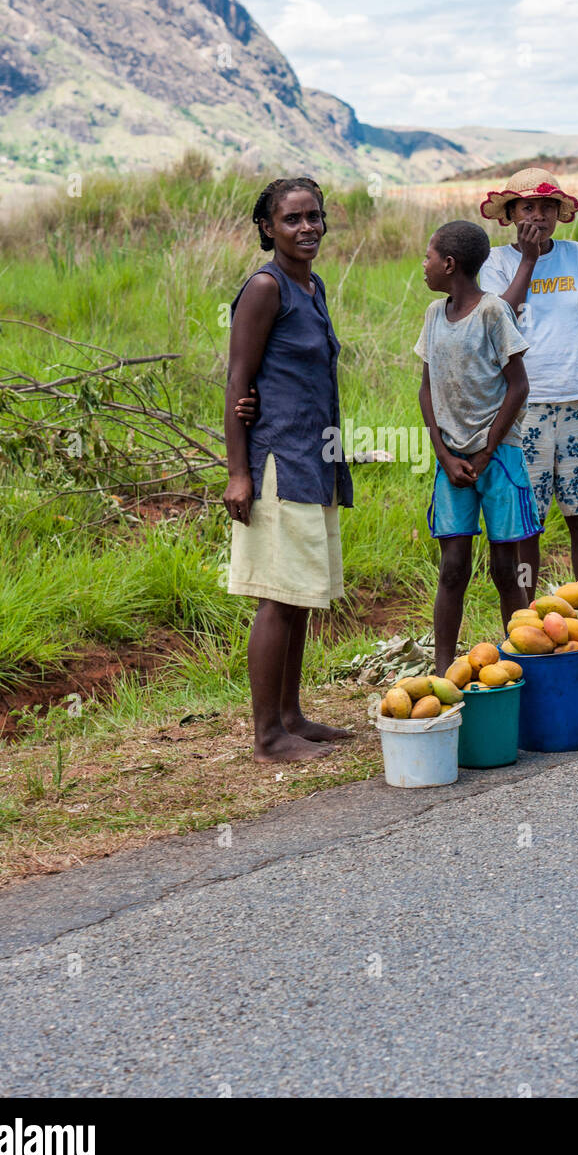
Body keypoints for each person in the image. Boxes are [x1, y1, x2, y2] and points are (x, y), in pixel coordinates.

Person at [224, 177, 353, 762]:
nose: (307, 228)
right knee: (276, 596)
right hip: (277, 460)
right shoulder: (265, 288)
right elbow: (237, 382)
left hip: (315, 458)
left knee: (299, 593)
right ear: (267, 228)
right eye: (293, 219)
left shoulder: (312, 284)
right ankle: (267, 736)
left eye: (315, 216)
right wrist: (239, 473)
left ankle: (292, 715)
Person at [479, 168, 578, 597]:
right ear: (510, 215)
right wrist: (528, 258)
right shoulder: (496, 263)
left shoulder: (576, 255)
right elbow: (500, 317)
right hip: (525, 408)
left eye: (546, 207)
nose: (537, 216)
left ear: (559, 213)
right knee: (527, 523)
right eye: (528, 207)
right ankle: (528, 619)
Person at [416, 220, 542, 675]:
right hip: (452, 464)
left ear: (449, 265)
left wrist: (486, 452)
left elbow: (518, 386)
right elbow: (425, 389)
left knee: (505, 569)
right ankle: (442, 670)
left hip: (498, 460)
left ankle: (521, 660)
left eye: (428, 256)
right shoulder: (434, 316)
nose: (424, 265)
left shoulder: (492, 313)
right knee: (453, 569)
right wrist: (444, 455)